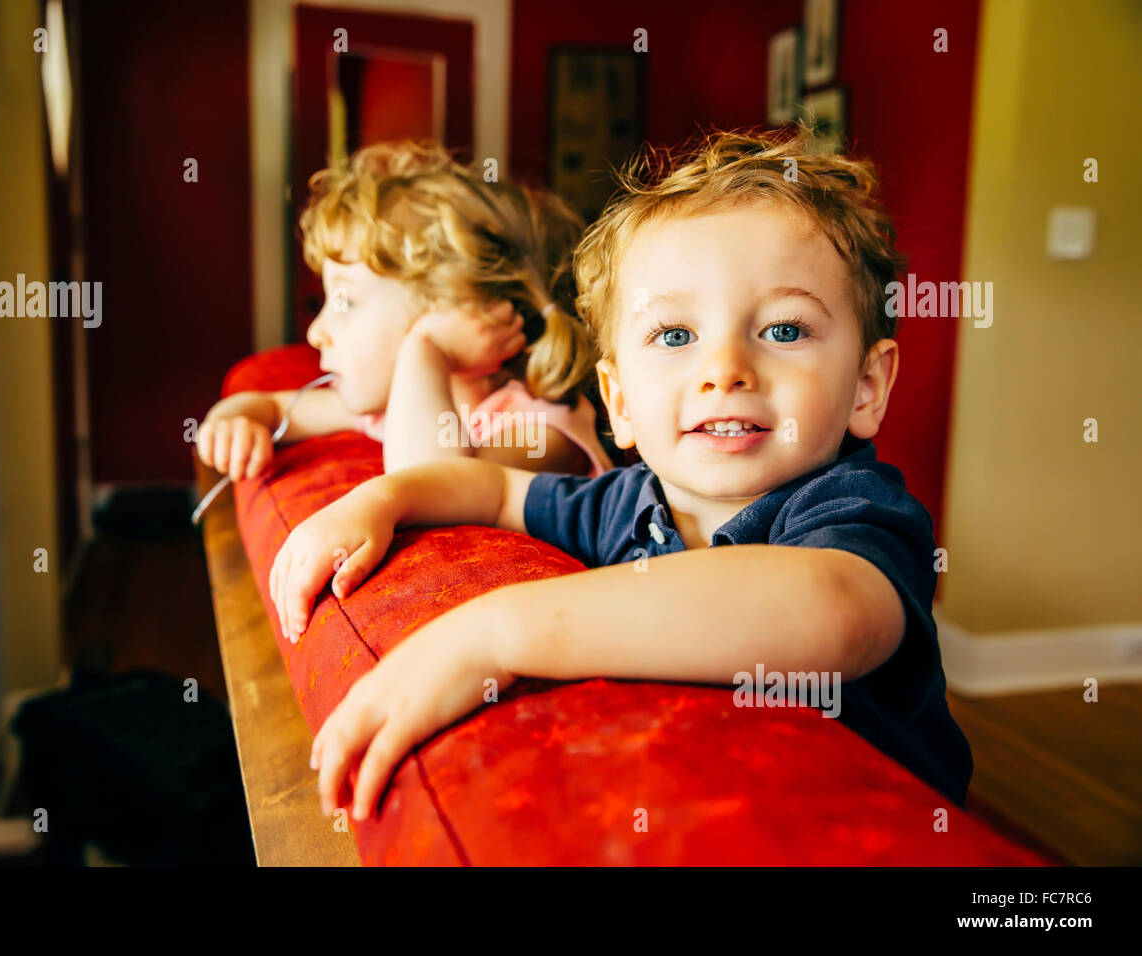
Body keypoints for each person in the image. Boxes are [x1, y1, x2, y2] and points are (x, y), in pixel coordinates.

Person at [271, 128, 973, 820]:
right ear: (620, 400)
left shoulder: (856, 509)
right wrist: (383, 498)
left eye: (784, 330)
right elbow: (493, 489)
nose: (724, 370)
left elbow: (831, 612)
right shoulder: (623, 502)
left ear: (867, 387)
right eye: (675, 336)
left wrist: (493, 633)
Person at [196, 141, 612, 480]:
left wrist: (424, 346)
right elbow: (268, 407)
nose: (315, 332)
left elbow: (424, 485)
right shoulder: (391, 404)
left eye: (345, 300)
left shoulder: (542, 429)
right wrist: (234, 420)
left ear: (462, 311)